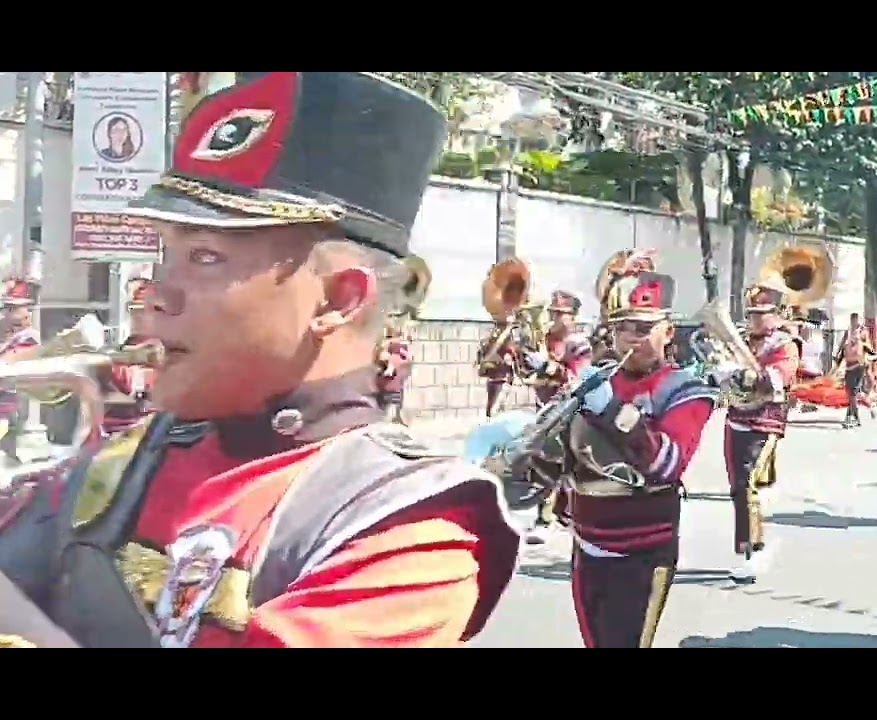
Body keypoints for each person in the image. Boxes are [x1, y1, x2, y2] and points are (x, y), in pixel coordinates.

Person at [0, 72, 521, 648]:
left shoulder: (411, 526)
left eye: (204, 257)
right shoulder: (126, 459)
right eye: (163, 254)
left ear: (339, 300)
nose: (155, 293)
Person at [559, 263, 717, 647]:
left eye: (644, 329)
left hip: (642, 546)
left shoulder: (684, 389)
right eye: (623, 328)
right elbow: (569, 456)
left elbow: (667, 463)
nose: (631, 339)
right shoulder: (600, 378)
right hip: (587, 539)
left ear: (668, 332)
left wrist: (608, 409)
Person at [711, 279, 800, 583]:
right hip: (737, 416)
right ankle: (748, 544)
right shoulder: (747, 342)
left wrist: (742, 373)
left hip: (765, 419)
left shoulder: (785, 344)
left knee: (746, 483)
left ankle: (755, 550)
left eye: (761, 313)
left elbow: (777, 379)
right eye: (751, 313)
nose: (753, 319)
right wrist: (720, 372)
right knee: (738, 486)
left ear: (776, 315)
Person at [522, 289, 593, 543]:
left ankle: (551, 518)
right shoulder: (546, 338)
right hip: (544, 403)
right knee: (543, 461)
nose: (553, 317)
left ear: (573, 316)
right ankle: (550, 516)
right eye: (552, 312)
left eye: (560, 313)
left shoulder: (580, 343)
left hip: (569, 409)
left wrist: (546, 366)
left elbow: (577, 378)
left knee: (562, 463)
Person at [101, 278, 158, 435]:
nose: (136, 316)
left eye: (142, 310)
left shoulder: (161, 351)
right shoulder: (125, 346)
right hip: (108, 433)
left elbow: (131, 382)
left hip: (143, 434)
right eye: (132, 309)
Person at [0, 278, 39, 462]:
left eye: (14, 308)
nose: (8, 314)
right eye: (8, 308)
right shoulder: (7, 336)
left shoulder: (28, 339)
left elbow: (9, 365)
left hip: (11, 405)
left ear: (27, 312)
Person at [833, 312, 874, 428]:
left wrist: (862, 345)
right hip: (849, 364)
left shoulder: (862, 332)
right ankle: (850, 415)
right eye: (853, 319)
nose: (854, 321)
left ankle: (854, 417)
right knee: (851, 392)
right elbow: (842, 346)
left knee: (853, 392)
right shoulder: (848, 331)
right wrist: (838, 357)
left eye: (856, 319)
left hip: (859, 365)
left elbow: (869, 348)